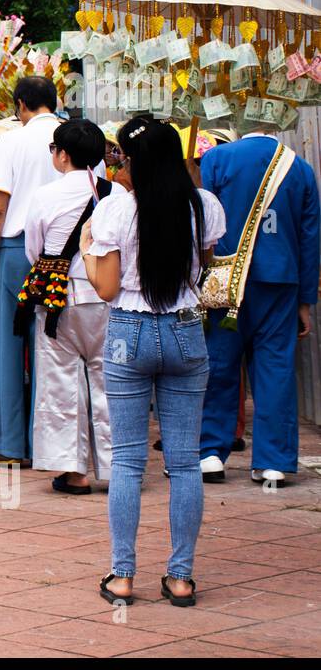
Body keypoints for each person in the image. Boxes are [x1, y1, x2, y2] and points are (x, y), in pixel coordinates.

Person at [83, 115, 226, 608]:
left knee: (127, 460)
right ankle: (181, 577)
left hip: (128, 332)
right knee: (184, 462)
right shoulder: (203, 205)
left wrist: (85, 250)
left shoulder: (116, 211)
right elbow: (204, 263)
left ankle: (123, 576)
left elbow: (106, 286)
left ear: (134, 161)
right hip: (186, 331)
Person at [198, 119, 319, 486]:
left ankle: (210, 454)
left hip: (227, 281)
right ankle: (274, 462)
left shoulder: (217, 158)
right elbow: (310, 236)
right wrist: (305, 301)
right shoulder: (299, 167)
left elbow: (207, 223)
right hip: (280, 280)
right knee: (275, 368)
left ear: (238, 125)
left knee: (219, 362)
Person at [22, 119, 112, 494]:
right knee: (112, 385)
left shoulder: (45, 196)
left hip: (61, 299)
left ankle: (72, 470)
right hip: (106, 298)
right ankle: (116, 467)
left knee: (61, 383)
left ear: (63, 155)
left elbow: (34, 251)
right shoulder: (116, 195)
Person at [0, 76, 62, 466]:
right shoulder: (74, 135)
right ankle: (46, 443)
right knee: (50, 346)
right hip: (61, 251)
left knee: (8, 349)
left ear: (22, 103)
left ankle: (10, 445)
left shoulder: (11, 140)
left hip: (15, 248)